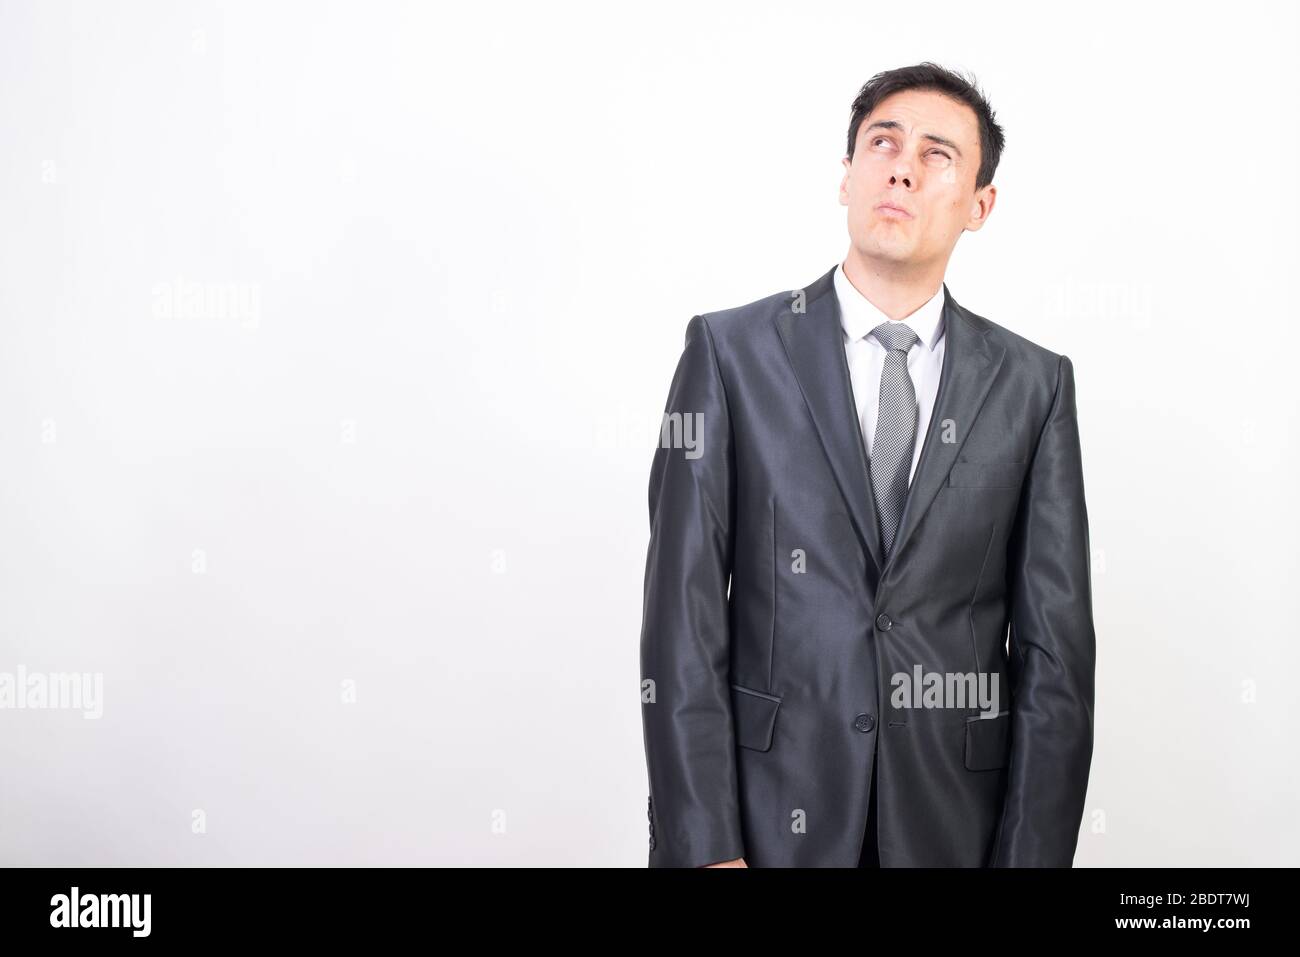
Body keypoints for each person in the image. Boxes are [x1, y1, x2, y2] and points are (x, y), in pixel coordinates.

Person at [639, 62, 1095, 867]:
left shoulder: (1033, 385)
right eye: (882, 142)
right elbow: (684, 616)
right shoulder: (730, 354)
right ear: (846, 176)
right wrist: (705, 845)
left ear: (980, 205)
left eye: (938, 154)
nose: (902, 166)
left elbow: (1056, 657)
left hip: (954, 826)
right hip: (764, 822)